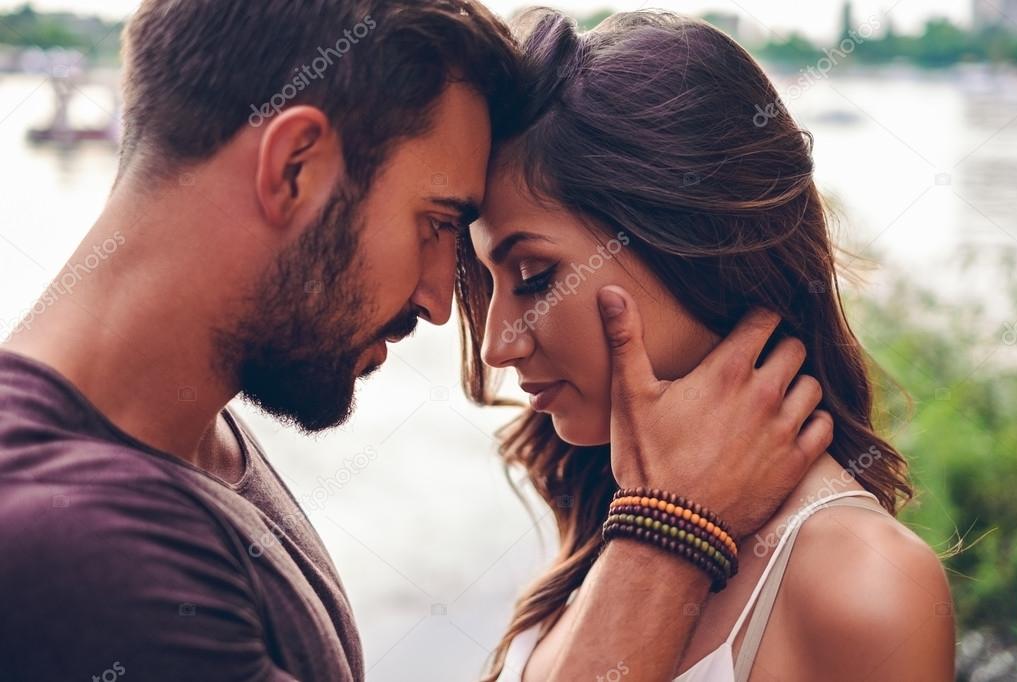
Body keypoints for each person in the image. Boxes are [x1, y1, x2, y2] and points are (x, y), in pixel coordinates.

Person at [1, 1, 828, 680]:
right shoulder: (78, 550)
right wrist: (670, 529)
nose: (441, 303)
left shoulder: (195, 440)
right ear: (294, 166)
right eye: (436, 225)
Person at [456, 9, 956, 682]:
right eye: (490, 284)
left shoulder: (860, 582)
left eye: (534, 277)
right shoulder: (610, 504)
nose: (496, 346)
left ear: (698, 245)